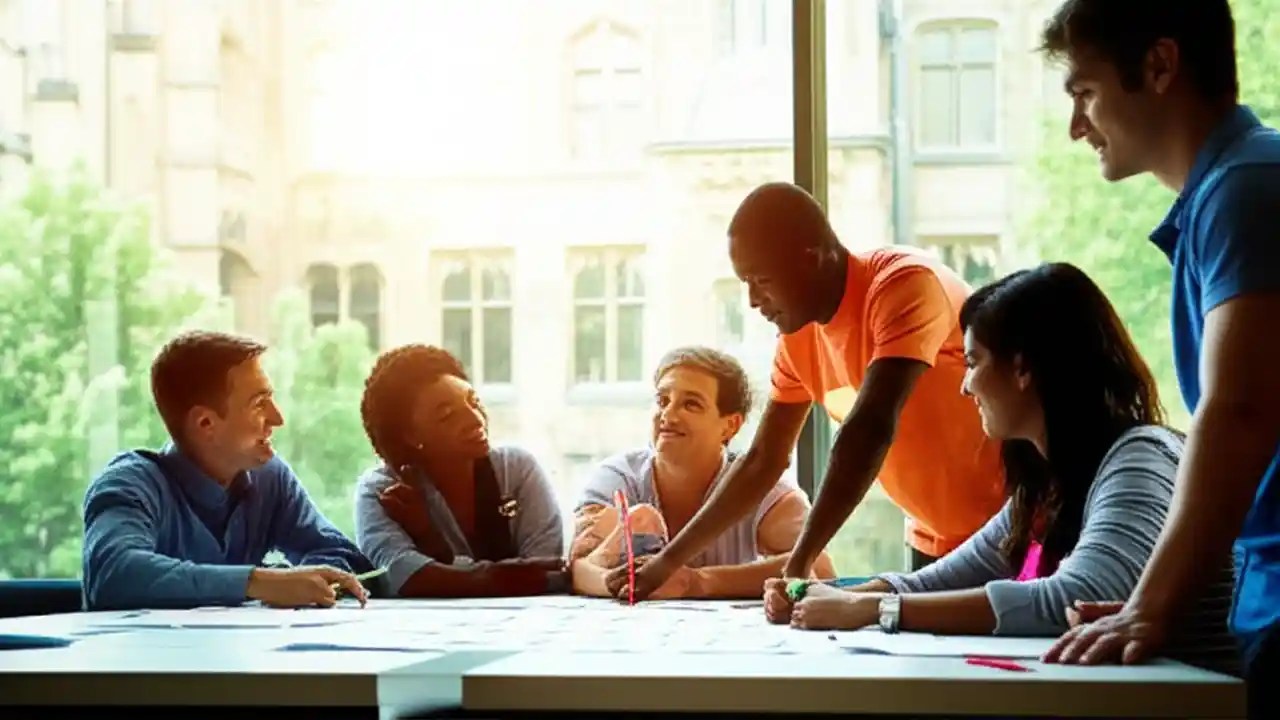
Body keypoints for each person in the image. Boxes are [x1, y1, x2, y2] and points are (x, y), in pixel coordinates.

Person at [764, 265, 1237, 674]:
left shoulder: (1140, 456)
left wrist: (872, 607)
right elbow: (939, 580)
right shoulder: (1043, 487)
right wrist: (821, 594)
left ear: (1023, 369)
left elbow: (1071, 597)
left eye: (973, 362)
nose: (966, 387)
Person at [1033, 1, 1280, 709]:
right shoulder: (1228, 192)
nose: (1077, 126)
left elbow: (1238, 413)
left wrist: (1154, 606)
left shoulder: (1246, 188)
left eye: (1085, 93)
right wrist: (1147, 601)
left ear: (1160, 65)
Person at [610, 182, 1005, 601]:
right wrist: (669, 562)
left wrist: (798, 565)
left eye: (761, 280)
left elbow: (867, 430)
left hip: (1014, 526)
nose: (752, 301)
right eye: (744, 282)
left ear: (812, 259)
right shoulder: (797, 341)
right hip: (934, 542)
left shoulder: (902, 285)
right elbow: (763, 460)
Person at [81, 331, 372, 611]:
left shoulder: (268, 476)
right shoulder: (129, 485)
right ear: (206, 424)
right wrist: (258, 582)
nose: (278, 418)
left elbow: (341, 556)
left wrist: (292, 580)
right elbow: (113, 573)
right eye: (259, 404)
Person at [571, 347, 835, 599]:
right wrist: (619, 585)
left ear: (730, 426)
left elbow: (820, 569)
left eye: (691, 404)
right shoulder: (617, 480)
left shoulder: (768, 494)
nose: (668, 414)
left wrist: (697, 582)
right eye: (662, 400)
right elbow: (578, 568)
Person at [355, 344, 566, 597]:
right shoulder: (383, 491)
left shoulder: (516, 470)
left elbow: (549, 571)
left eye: (473, 401)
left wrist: (437, 551)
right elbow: (407, 578)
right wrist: (506, 576)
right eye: (447, 415)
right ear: (410, 435)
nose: (475, 419)